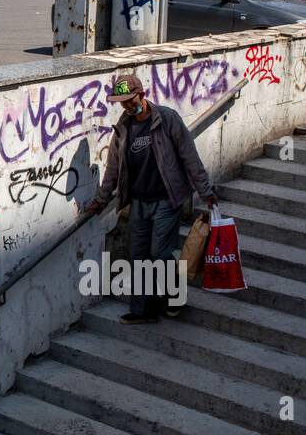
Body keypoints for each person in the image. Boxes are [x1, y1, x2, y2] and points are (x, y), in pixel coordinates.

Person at [78, 73, 217, 324]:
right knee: (139, 256)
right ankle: (143, 311)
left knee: (160, 253)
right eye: (123, 103)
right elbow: (113, 168)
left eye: (130, 100)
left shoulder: (167, 119)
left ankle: (174, 296)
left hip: (167, 199)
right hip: (139, 202)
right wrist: (101, 199)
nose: (128, 106)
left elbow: (189, 156)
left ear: (141, 94)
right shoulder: (123, 128)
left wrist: (206, 192)